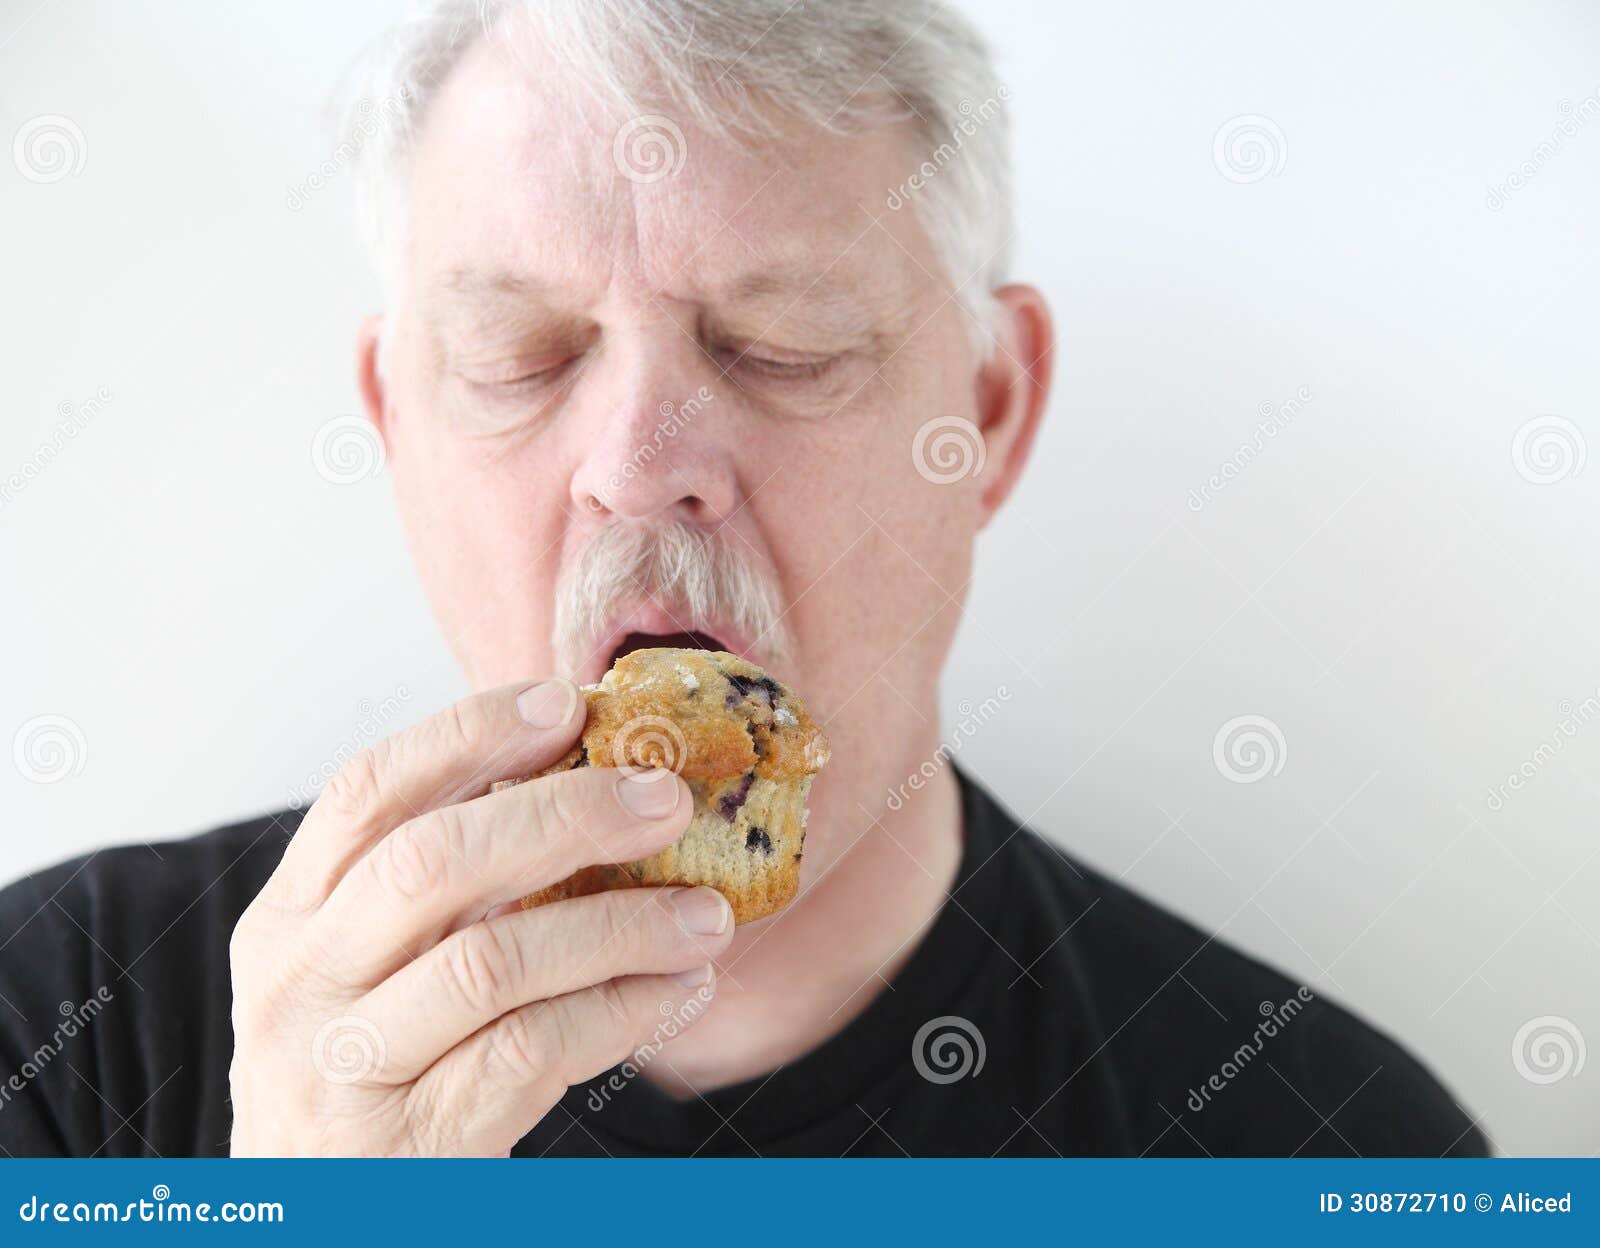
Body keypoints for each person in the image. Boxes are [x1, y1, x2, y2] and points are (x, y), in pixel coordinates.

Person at [0, 0, 1485, 1157]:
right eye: (526, 359)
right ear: (397, 424)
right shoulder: (59, 1045)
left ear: (988, 414)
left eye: (784, 349)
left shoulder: (1319, 1141)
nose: (642, 465)